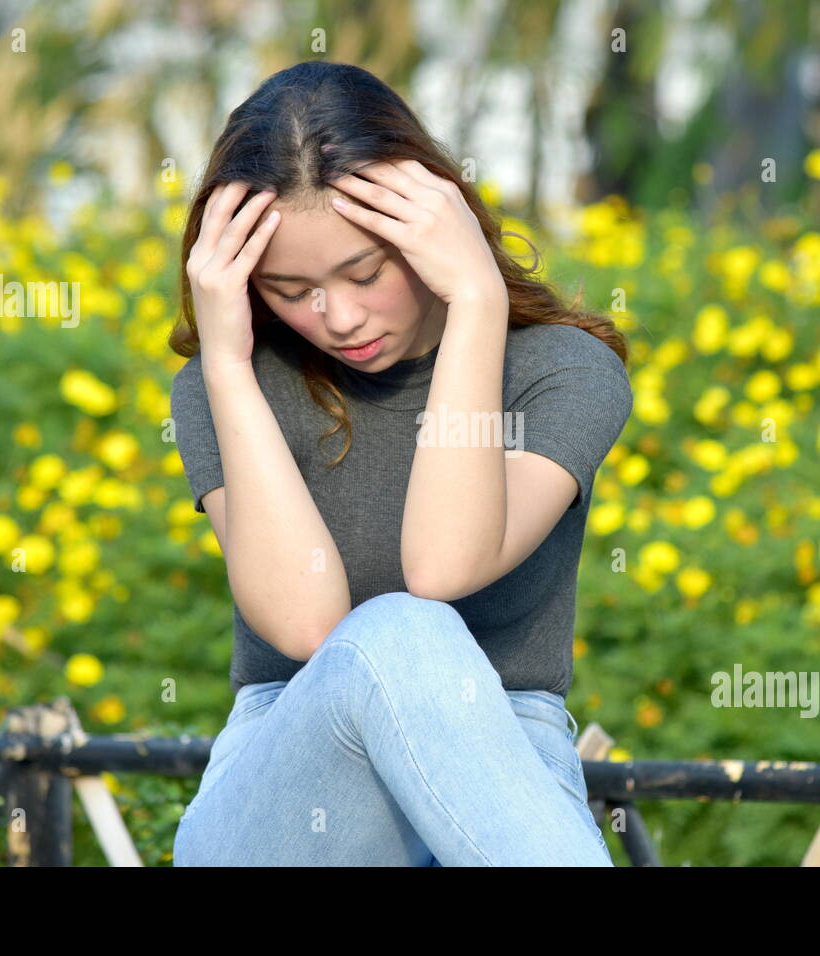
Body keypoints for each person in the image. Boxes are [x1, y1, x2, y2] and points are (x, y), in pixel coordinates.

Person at [167, 60, 632, 866]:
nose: (338, 317)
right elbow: (308, 625)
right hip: (289, 781)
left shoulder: (563, 372)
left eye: (365, 272)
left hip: (504, 771)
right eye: (289, 288)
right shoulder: (229, 386)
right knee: (397, 634)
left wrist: (478, 302)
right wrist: (227, 365)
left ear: (432, 225)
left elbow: (445, 563)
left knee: (413, 626)